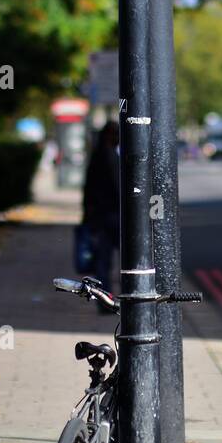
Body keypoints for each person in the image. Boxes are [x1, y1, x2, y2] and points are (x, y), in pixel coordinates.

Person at [81, 121, 120, 309]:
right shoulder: (110, 156)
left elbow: (87, 190)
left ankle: (104, 301)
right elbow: (117, 188)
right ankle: (111, 301)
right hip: (111, 216)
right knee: (131, 261)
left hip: (100, 216)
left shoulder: (97, 156)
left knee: (103, 261)